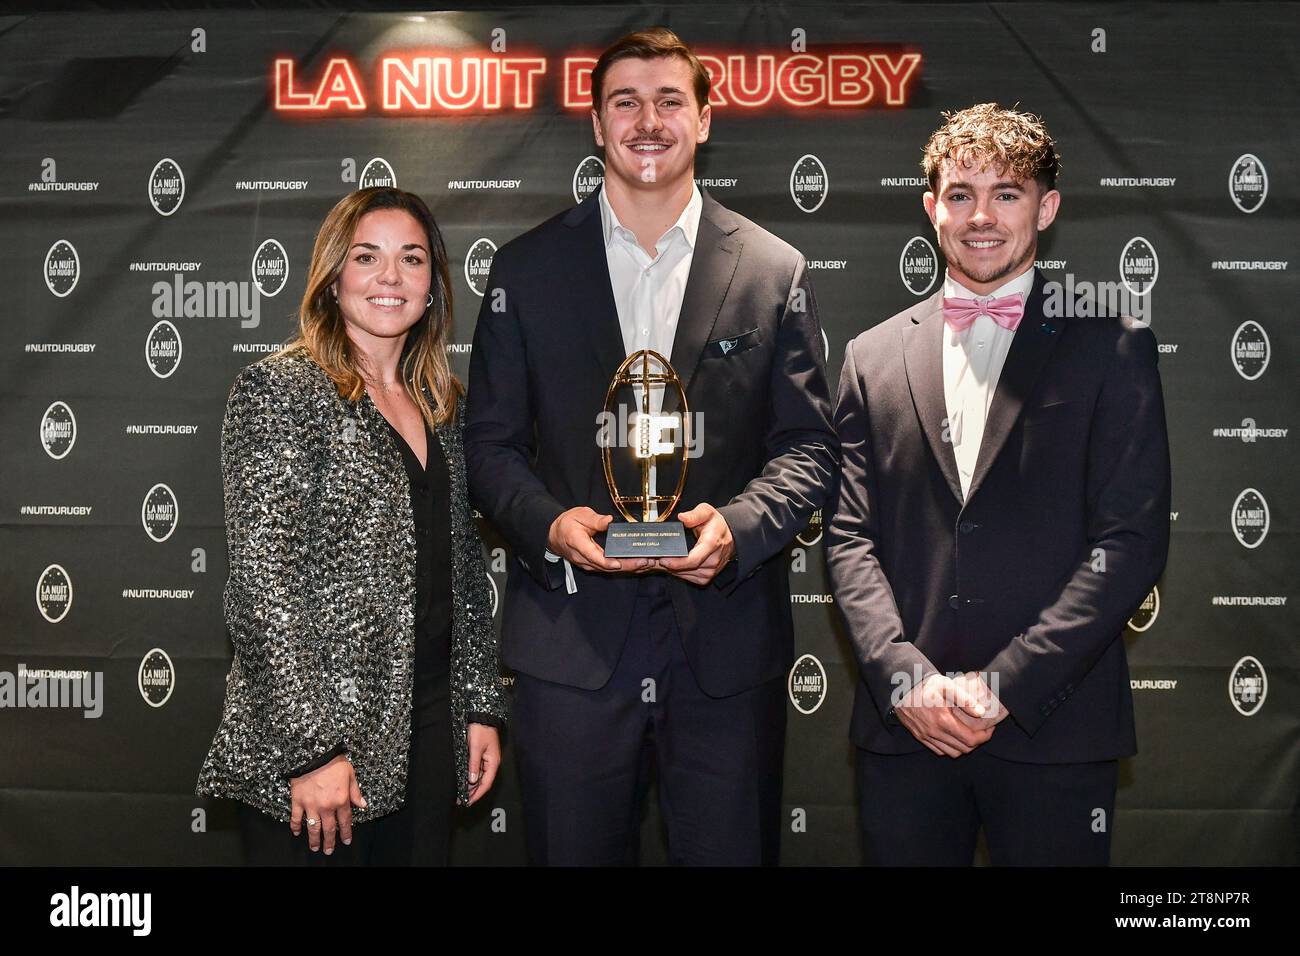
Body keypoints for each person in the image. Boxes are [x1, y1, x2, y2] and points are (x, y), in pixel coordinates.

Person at [465, 27, 838, 865]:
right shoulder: (525, 272)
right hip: (571, 647)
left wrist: (737, 528)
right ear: (597, 126)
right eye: (624, 101)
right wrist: (552, 523)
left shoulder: (774, 270)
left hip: (724, 647)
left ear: (704, 119)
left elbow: (810, 447)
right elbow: (487, 447)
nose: (648, 120)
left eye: (671, 100)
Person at [825, 103, 1170, 865]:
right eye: (960, 193)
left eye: (1006, 194)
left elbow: (1130, 542)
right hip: (905, 733)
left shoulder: (1112, 347)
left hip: (1056, 727)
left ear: (1046, 208)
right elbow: (849, 537)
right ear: (931, 207)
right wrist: (904, 676)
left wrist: (1005, 685)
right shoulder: (871, 357)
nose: (981, 216)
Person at [196, 187, 507, 865]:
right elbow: (261, 584)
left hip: (428, 725)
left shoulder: (444, 407)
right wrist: (312, 750)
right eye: (368, 257)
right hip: (317, 742)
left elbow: (461, 572)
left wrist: (479, 703)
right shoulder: (281, 392)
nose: (391, 277)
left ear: (434, 287)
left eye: (412, 259)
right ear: (334, 278)